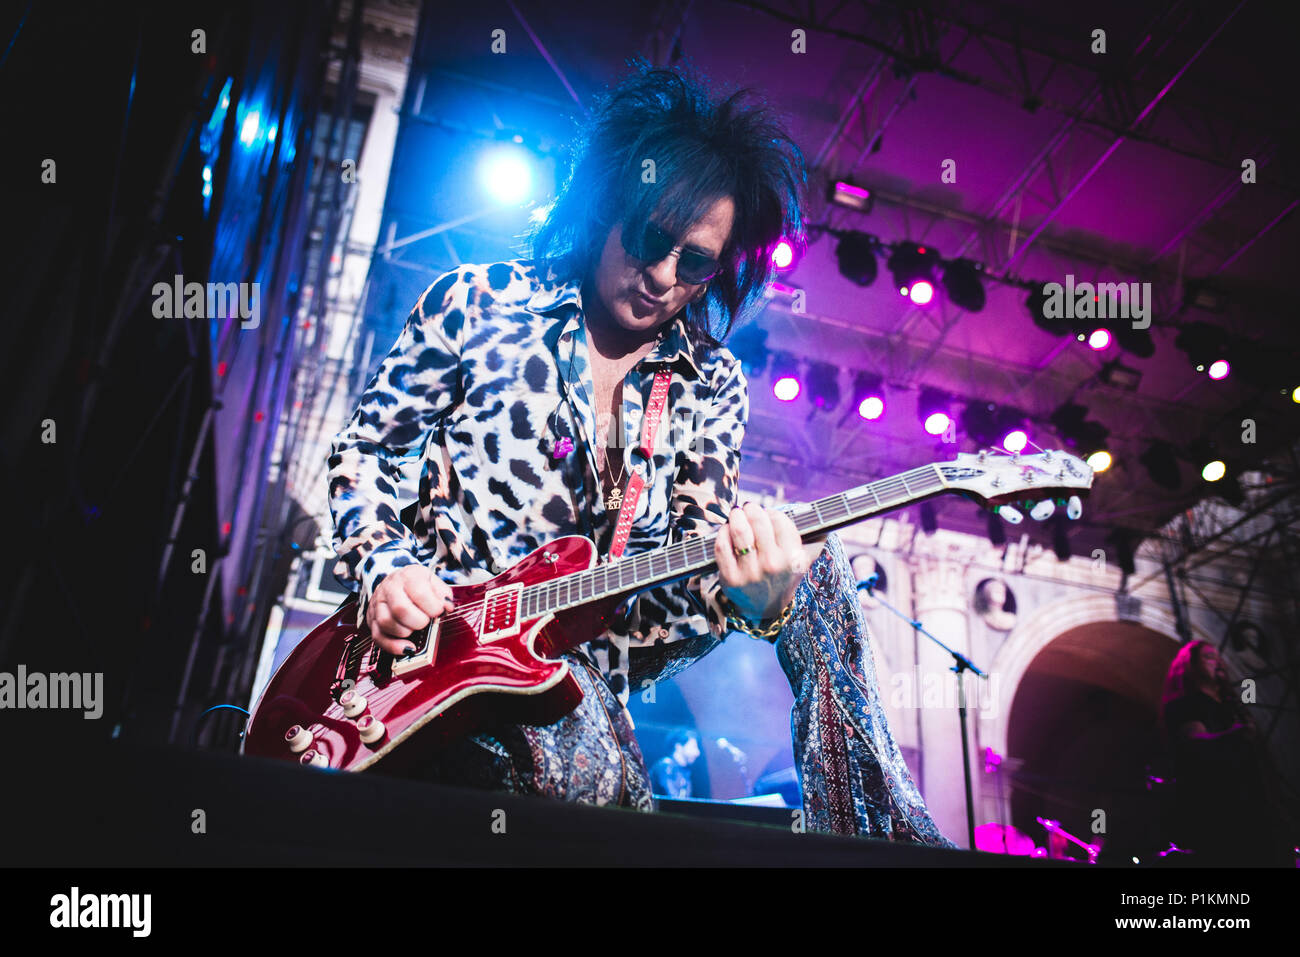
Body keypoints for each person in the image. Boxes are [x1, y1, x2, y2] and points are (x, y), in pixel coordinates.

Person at [327, 62, 951, 845]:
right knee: (568, 783)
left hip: (580, 678)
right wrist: (386, 568)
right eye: (652, 239)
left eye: (695, 263)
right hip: (427, 655)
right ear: (603, 207)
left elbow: (668, 601)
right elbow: (365, 452)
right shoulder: (477, 301)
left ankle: (879, 842)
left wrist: (761, 603)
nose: (662, 276)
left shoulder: (711, 384)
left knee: (818, 570)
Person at [1159, 640, 1291, 865]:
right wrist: (1234, 735)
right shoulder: (1185, 705)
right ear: (1190, 666)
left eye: (1218, 657)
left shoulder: (1231, 706)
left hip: (1258, 808)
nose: (1218, 662)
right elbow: (1195, 743)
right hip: (1222, 810)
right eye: (1209, 657)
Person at [650, 729, 701, 799]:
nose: (697, 752)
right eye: (694, 747)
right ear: (679, 746)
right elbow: (673, 799)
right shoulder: (665, 766)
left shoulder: (685, 772)